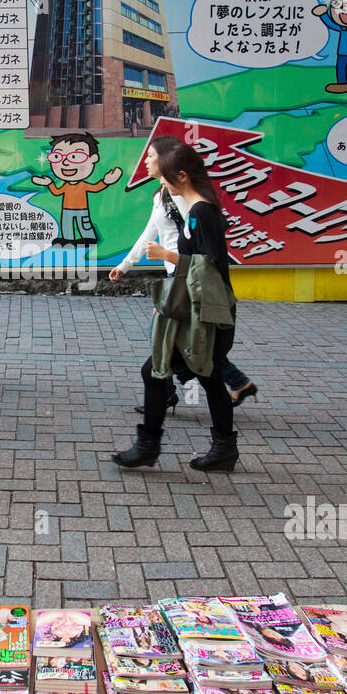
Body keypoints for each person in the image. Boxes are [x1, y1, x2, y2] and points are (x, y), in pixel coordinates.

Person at [112, 142, 238, 472]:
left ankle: (149, 446)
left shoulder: (201, 212)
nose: (161, 182)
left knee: (161, 371)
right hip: (191, 307)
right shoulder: (197, 210)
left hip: (204, 311)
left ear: (181, 175)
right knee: (206, 376)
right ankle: (220, 448)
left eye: (166, 175)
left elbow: (211, 264)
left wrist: (168, 256)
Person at [110, 134, 258, 411]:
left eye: (152, 157)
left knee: (178, 346)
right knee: (183, 346)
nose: (147, 162)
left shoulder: (186, 200)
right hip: (178, 278)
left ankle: (172, 397)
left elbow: (203, 251)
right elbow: (150, 233)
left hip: (186, 279)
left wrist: (171, 272)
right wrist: (125, 265)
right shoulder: (163, 194)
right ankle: (229, 388)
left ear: (171, 165)